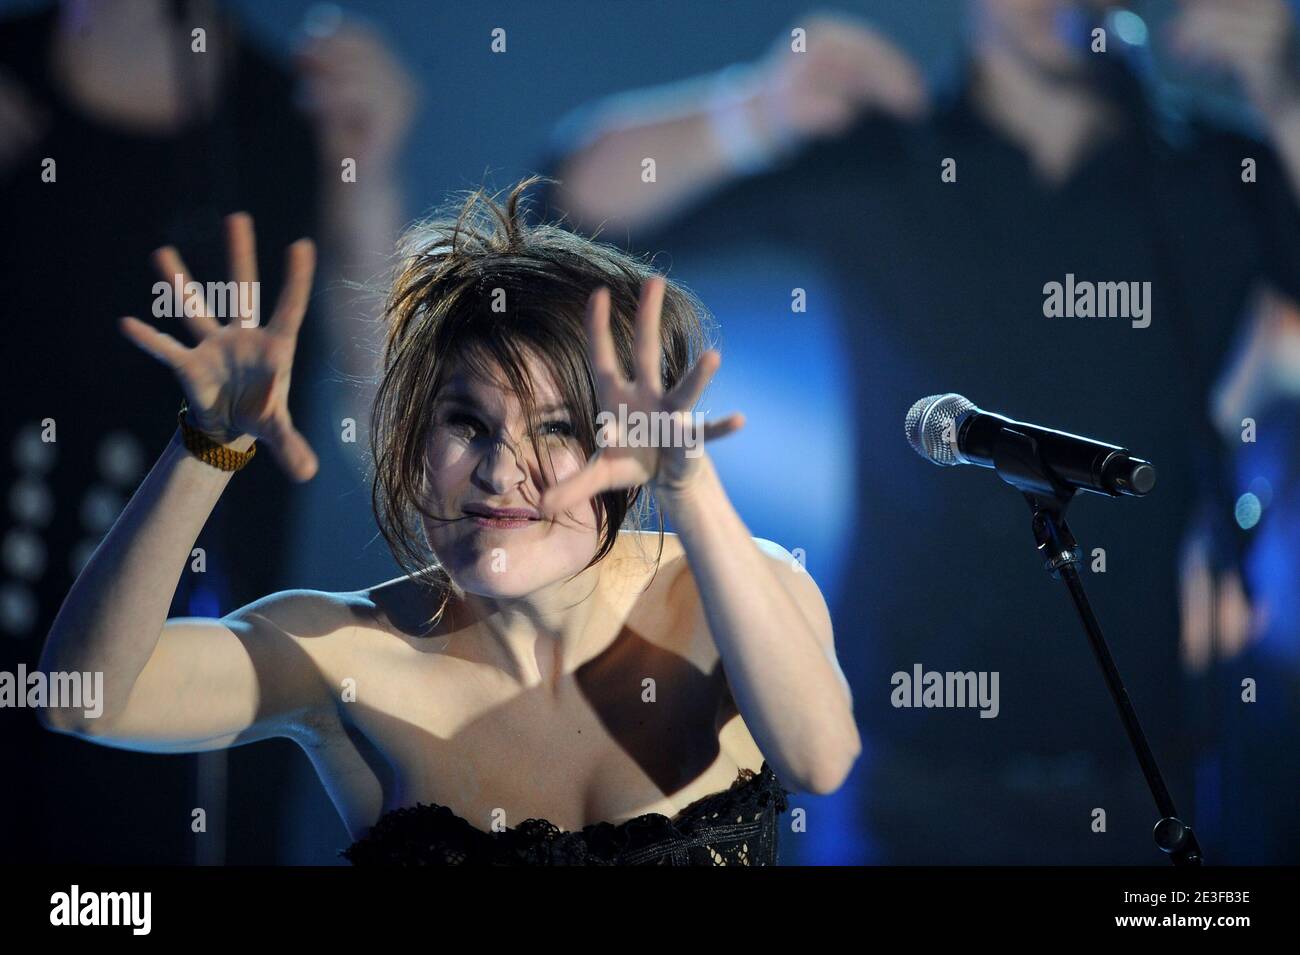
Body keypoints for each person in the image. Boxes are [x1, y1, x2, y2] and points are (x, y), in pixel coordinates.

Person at [530, 1, 1300, 862]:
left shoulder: (1217, 169)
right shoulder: (889, 155)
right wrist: (759, 109)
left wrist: (1285, 94)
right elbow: (564, 209)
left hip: (1146, 759)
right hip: (910, 764)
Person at [35, 179, 859, 866]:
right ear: (412, 435)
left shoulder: (734, 595)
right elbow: (83, 700)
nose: (501, 473)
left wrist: (692, 486)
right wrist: (206, 447)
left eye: (557, 428)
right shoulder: (347, 651)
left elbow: (820, 760)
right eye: (467, 423)